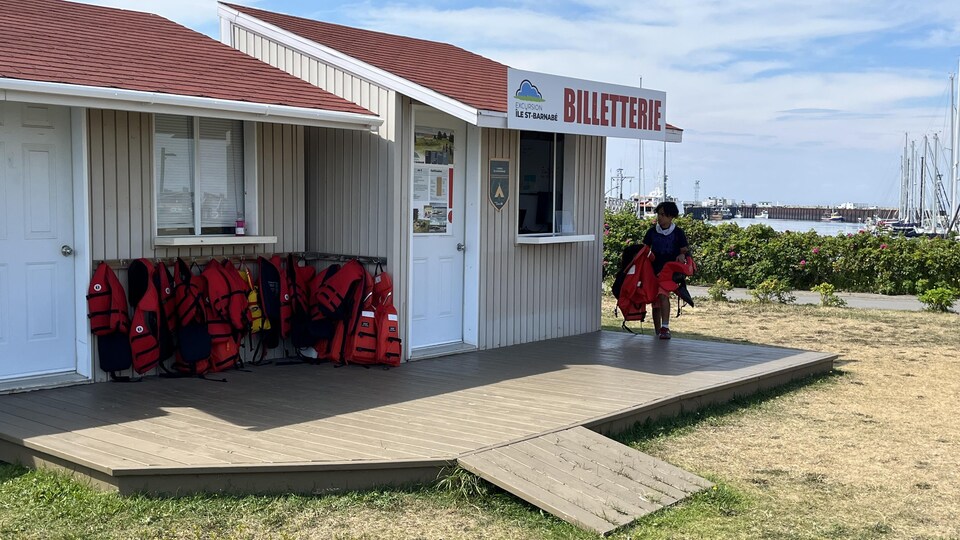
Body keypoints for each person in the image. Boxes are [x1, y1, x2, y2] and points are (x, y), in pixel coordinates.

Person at [642, 201, 689, 339]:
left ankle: (665, 327)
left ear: (671, 216)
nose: (659, 217)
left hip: (669, 272)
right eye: (658, 214)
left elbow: (684, 250)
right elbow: (644, 249)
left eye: (663, 215)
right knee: (655, 301)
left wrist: (682, 255)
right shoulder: (652, 232)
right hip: (653, 271)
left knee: (663, 295)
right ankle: (658, 331)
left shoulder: (678, 232)